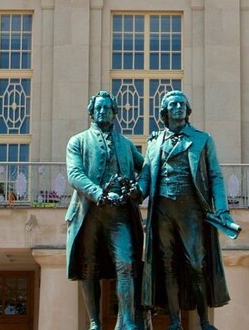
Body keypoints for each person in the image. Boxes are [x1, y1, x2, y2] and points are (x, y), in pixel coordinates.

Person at [140, 90, 240, 330]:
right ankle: (175, 321)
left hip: (191, 211)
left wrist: (223, 210)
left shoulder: (202, 139)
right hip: (163, 210)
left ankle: (204, 320)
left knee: (197, 263)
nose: (178, 107)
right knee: (167, 265)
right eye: (173, 104)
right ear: (165, 111)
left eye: (182, 104)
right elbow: (145, 175)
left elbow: (215, 176)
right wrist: (134, 193)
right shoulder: (154, 142)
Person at [65, 91, 147, 330]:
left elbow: (146, 170)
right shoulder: (77, 141)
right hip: (88, 213)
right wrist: (99, 193)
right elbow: (75, 174)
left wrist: (138, 190)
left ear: (114, 112)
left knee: (126, 263)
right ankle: (95, 323)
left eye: (107, 108)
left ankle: (128, 321)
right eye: (98, 108)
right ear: (91, 112)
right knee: (88, 268)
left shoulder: (126, 144)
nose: (102, 112)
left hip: (119, 215)